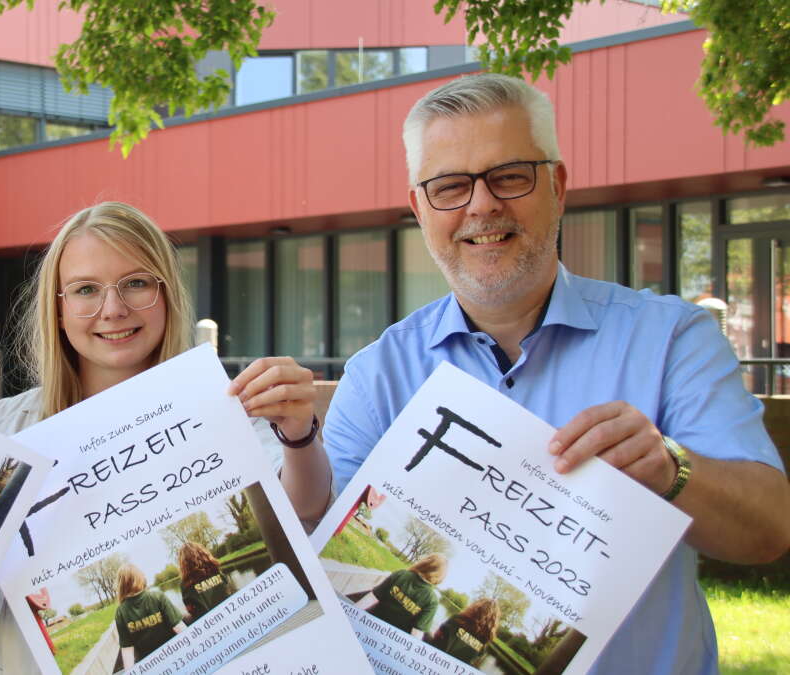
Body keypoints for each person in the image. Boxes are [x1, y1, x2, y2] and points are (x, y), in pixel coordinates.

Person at [292, 73, 790, 673]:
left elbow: (768, 532)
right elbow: (321, 565)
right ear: (419, 208)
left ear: (556, 185)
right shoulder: (378, 373)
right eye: (450, 186)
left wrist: (672, 469)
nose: (481, 205)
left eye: (509, 176)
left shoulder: (672, 340)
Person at [0, 201, 325, 673]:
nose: (113, 310)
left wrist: (299, 433)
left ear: (167, 295)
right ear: (58, 311)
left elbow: (301, 514)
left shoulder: (222, 404)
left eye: (136, 283)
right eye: (85, 290)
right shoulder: (5, 428)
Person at [354, 553, 447, 638]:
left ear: (424, 563)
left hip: (369, 622)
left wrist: (353, 610)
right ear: (440, 576)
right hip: (391, 638)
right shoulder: (432, 600)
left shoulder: (401, 574)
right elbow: (417, 632)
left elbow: (372, 597)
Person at [113, 563, 186, 669]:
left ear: (121, 585)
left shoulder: (120, 612)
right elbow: (179, 627)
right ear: (140, 578)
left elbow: (127, 650)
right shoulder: (158, 597)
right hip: (174, 655)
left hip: (150, 665)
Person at [426, 597, 499, 667]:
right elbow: (473, 660)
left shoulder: (457, 619)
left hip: (436, 658)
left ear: (474, 608)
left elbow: (436, 635)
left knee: (426, 632)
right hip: (452, 670)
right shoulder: (485, 640)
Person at [177, 541, 234, 624]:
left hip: (208, 622)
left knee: (183, 617)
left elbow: (190, 610)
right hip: (228, 611)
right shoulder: (216, 571)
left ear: (183, 563)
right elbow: (227, 588)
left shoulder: (185, 584)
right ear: (203, 554)